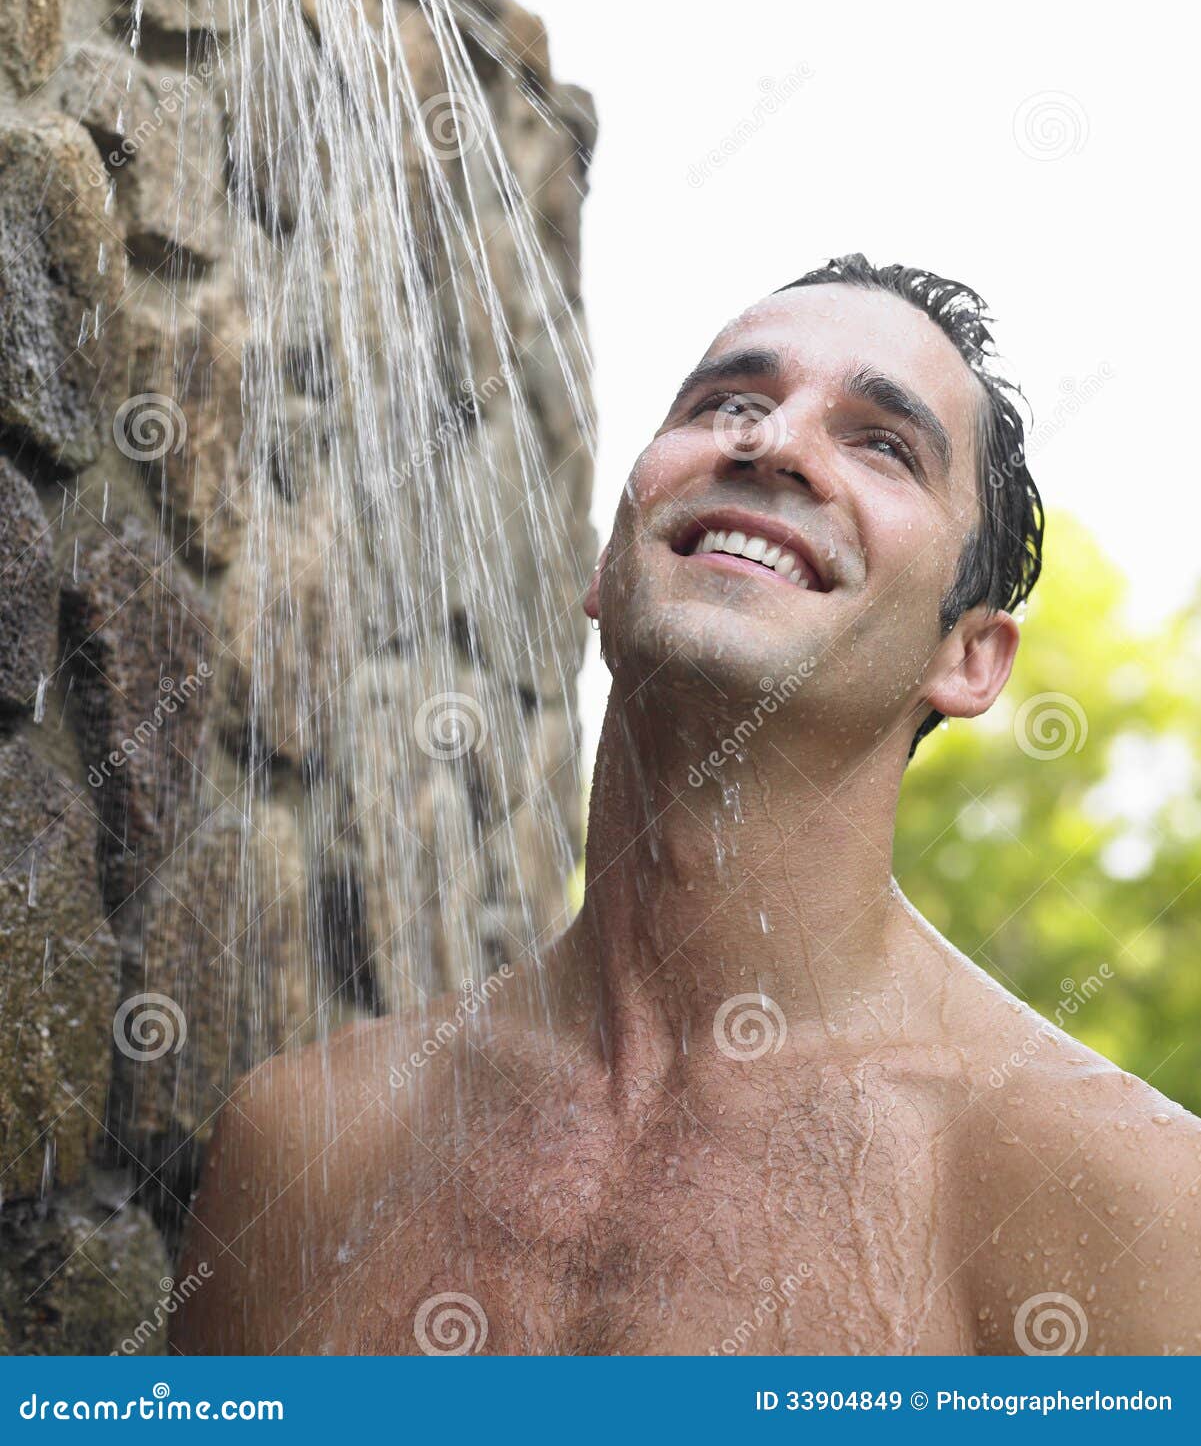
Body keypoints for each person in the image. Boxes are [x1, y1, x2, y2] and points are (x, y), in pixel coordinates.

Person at [177, 253, 1201, 1356]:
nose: (771, 443)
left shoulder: (1111, 1194)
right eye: (729, 403)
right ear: (605, 564)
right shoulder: (311, 1144)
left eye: (882, 444)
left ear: (967, 658)